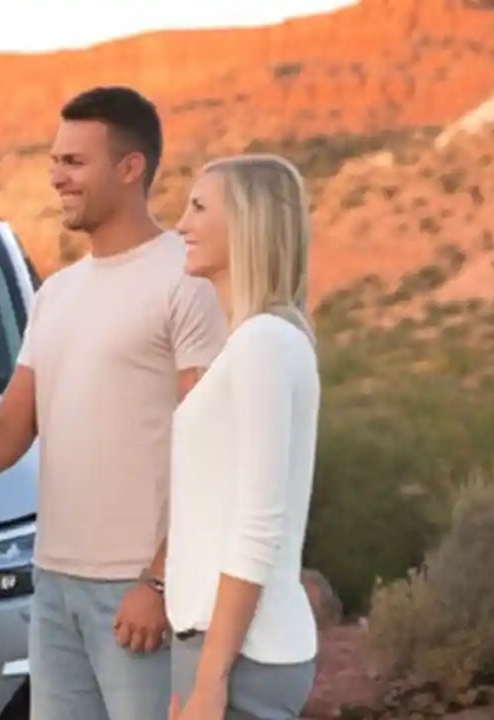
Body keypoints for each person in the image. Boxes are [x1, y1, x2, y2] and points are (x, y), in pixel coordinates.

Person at [0, 86, 227, 719]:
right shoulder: (57, 295)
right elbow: (10, 427)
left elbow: (211, 446)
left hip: (139, 589)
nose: (56, 177)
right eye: (56, 161)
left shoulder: (186, 283)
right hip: (52, 587)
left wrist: (159, 580)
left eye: (74, 162)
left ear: (129, 169)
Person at [165, 154, 321, 720]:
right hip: (223, 649)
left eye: (199, 207)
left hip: (240, 659)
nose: (181, 224)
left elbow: (258, 527)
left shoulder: (263, 345)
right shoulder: (256, 344)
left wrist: (210, 680)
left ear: (247, 225)